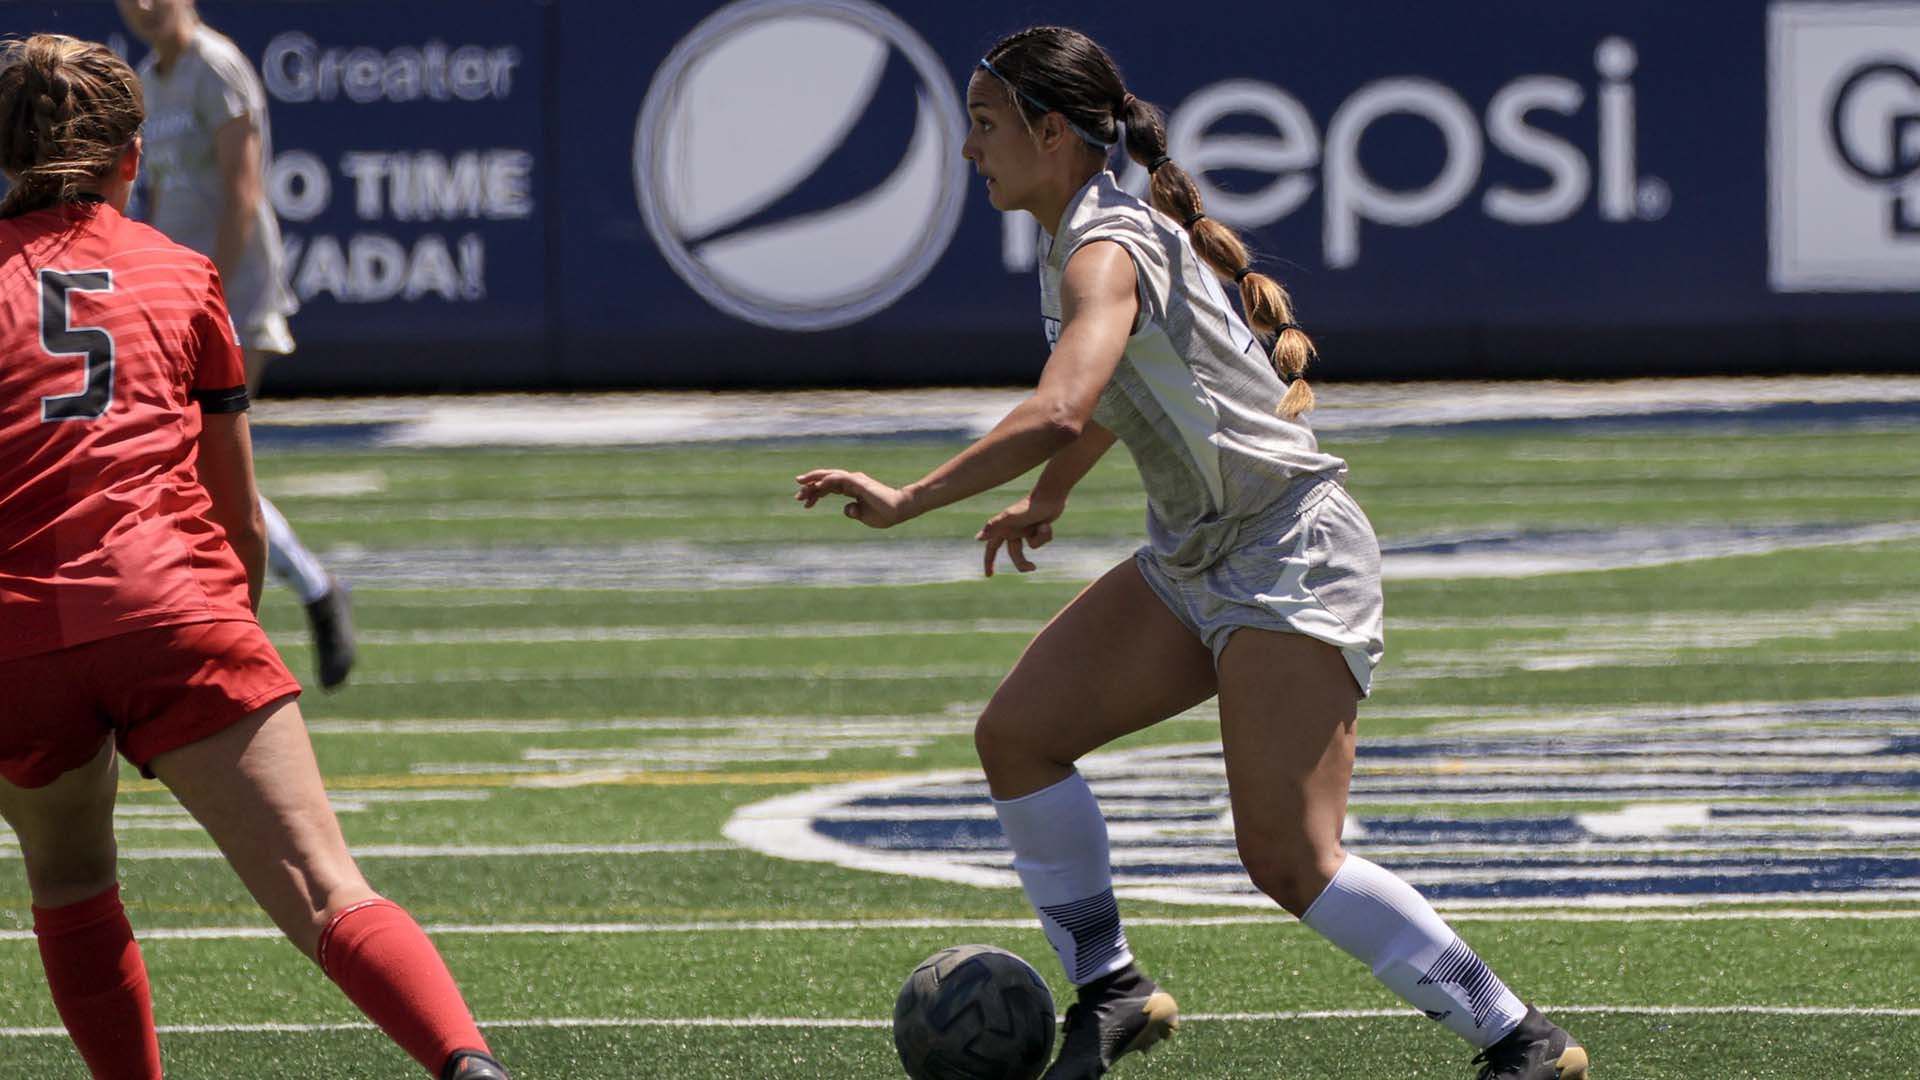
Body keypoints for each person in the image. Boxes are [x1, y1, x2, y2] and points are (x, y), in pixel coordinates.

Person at [796, 26, 1589, 1080]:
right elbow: (1132, 400)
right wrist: (1053, 493)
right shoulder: (1087, 230)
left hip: (1287, 551)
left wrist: (911, 498)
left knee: (1290, 860)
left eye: (985, 126)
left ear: (1053, 132)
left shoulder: (1102, 246)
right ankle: (1115, 986)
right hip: (1200, 555)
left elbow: (1062, 403)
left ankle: (1519, 1039)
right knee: (1019, 737)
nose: (967, 150)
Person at [0, 35, 506, 1080]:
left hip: (17, 634)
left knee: (69, 874)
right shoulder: (183, 274)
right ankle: (466, 1065)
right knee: (330, 890)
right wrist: (220, 649)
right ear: (133, 157)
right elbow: (235, 515)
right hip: (174, 606)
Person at [116, 0, 355, 690]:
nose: (142, 7)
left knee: (201, 460)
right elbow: (156, 196)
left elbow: (244, 190)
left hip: (229, 300)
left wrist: (208, 295)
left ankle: (296, 598)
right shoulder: (148, 78)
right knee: (187, 462)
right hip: (177, 299)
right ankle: (307, 593)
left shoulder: (216, 67)